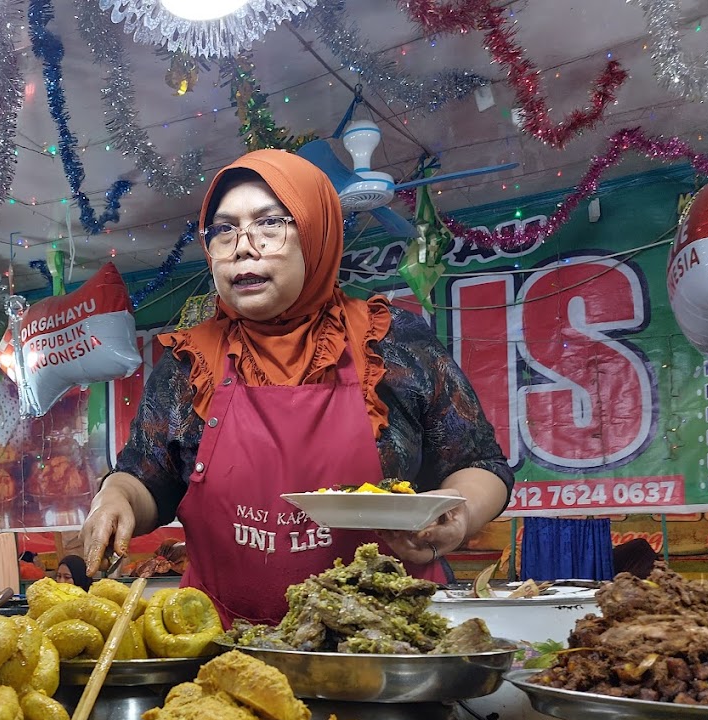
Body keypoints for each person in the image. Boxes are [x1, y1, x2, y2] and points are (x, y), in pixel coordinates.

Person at [81, 150, 513, 627]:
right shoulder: (187, 362)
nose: (243, 246)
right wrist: (114, 498)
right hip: (227, 644)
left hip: (388, 640)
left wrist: (459, 516)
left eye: (269, 224)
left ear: (316, 235)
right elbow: (145, 479)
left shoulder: (392, 343)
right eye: (223, 230)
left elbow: (479, 464)